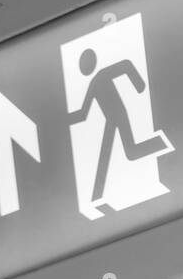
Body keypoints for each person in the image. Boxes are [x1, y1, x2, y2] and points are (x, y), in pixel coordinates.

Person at [68, 48, 170, 204]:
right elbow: (83, 113)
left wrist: (139, 83)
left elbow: (125, 65)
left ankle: (96, 195)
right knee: (130, 150)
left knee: (128, 151)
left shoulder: (100, 76)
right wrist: (65, 119)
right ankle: (96, 195)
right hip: (112, 119)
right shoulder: (94, 83)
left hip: (118, 115)